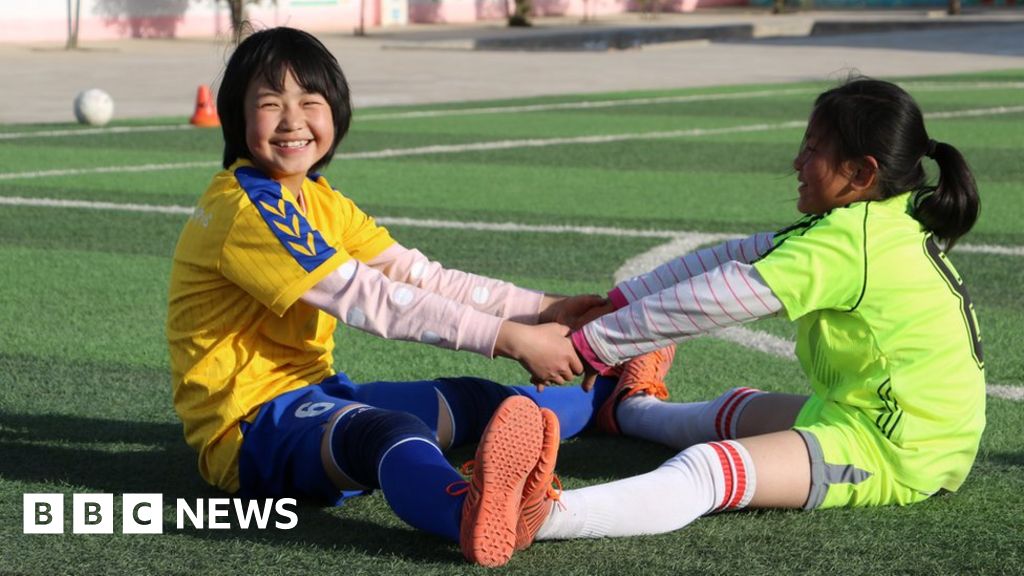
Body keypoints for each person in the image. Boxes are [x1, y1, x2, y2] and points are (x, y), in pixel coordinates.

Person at [165, 26, 630, 568]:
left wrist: (545, 308)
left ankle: (609, 399)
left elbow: (417, 277)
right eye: (270, 104)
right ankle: (469, 514)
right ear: (236, 119)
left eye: (310, 102)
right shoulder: (250, 210)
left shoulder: (317, 199)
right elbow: (370, 297)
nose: (293, 121)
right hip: (249, 431)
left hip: (317, 393)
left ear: (335, 112)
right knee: (389, 432)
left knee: (479, 401)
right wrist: (510, 339)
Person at [519, 77, 986, 546]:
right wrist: (614, 305)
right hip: (878, 417)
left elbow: (717, 299)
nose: (798, 162)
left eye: (813, 149)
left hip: (899, 450)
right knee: (734, 410)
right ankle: (628, 409)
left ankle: (540, 518)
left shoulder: (850, 243)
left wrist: (591, 346)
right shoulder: (876, 221)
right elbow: (736, 256)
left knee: (708, 468)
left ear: (861, 174)